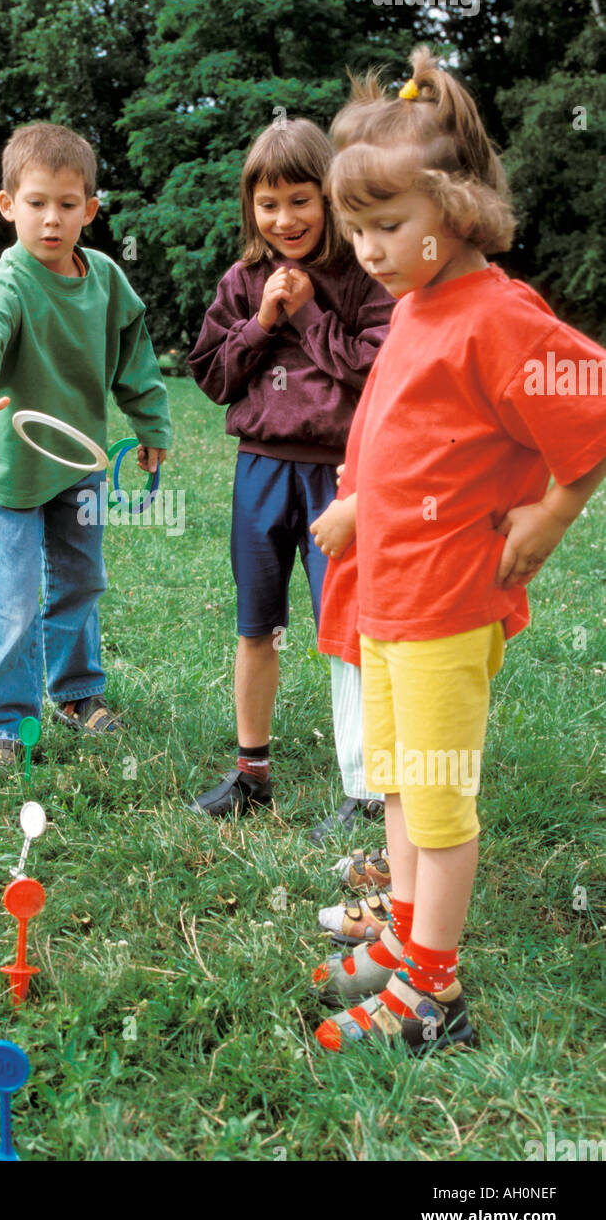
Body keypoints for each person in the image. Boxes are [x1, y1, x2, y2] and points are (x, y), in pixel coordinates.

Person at [310, 46, 606, 1054]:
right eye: (357, 231)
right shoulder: (418, 307)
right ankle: (403, 940)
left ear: (460, 207)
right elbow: (406, 436)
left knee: (437, 801)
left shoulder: (499, 316)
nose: (369, 250)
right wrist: (358, 505)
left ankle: (434, 996)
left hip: (446, 605)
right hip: (391, 596)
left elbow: (594, 409)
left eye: (388, 227)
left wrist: (553, 513)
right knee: (397, 785)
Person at [0, 122, 172, 768]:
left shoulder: (104, 279)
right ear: (7, 205)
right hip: (9, 468)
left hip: (82, 468)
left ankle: (76, 695)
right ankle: (5, 726)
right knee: (12, 601)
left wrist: (151, 426)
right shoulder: (8, 281)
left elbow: (135, 360)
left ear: (90, 211)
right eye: (36, 203)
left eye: (67, 205)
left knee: (80, 582)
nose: (51, 219)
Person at [187, 120, 392, 818]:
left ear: (331, 197)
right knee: (255, 627)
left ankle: (364, 794)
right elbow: (213, 377)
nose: (284, 218)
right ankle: (251, 776)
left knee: (348, 632)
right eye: (267, 203)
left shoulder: (366, 275)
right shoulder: (243, 281)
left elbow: (377, 370)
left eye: (300, 200)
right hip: (258, 473)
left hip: (339, 478)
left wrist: (305, 316)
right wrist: (262, 321)